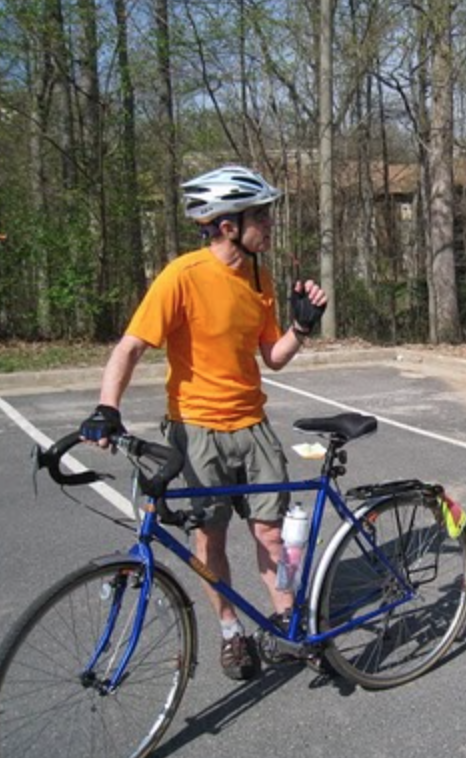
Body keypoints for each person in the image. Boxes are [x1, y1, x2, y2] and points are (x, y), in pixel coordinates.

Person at [79, 165, 328, 679]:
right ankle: (233, 634)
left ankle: (288, 623)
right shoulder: (182, 276)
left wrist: (301, 327)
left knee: (272, 536)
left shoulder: (260, 277)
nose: (271, 224)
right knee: (208, 541)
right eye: (262, 216)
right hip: (195, 433)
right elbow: (129, 348)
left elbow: (272, 357)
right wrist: (108, 408)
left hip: (252, 428)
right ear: (227, 225)